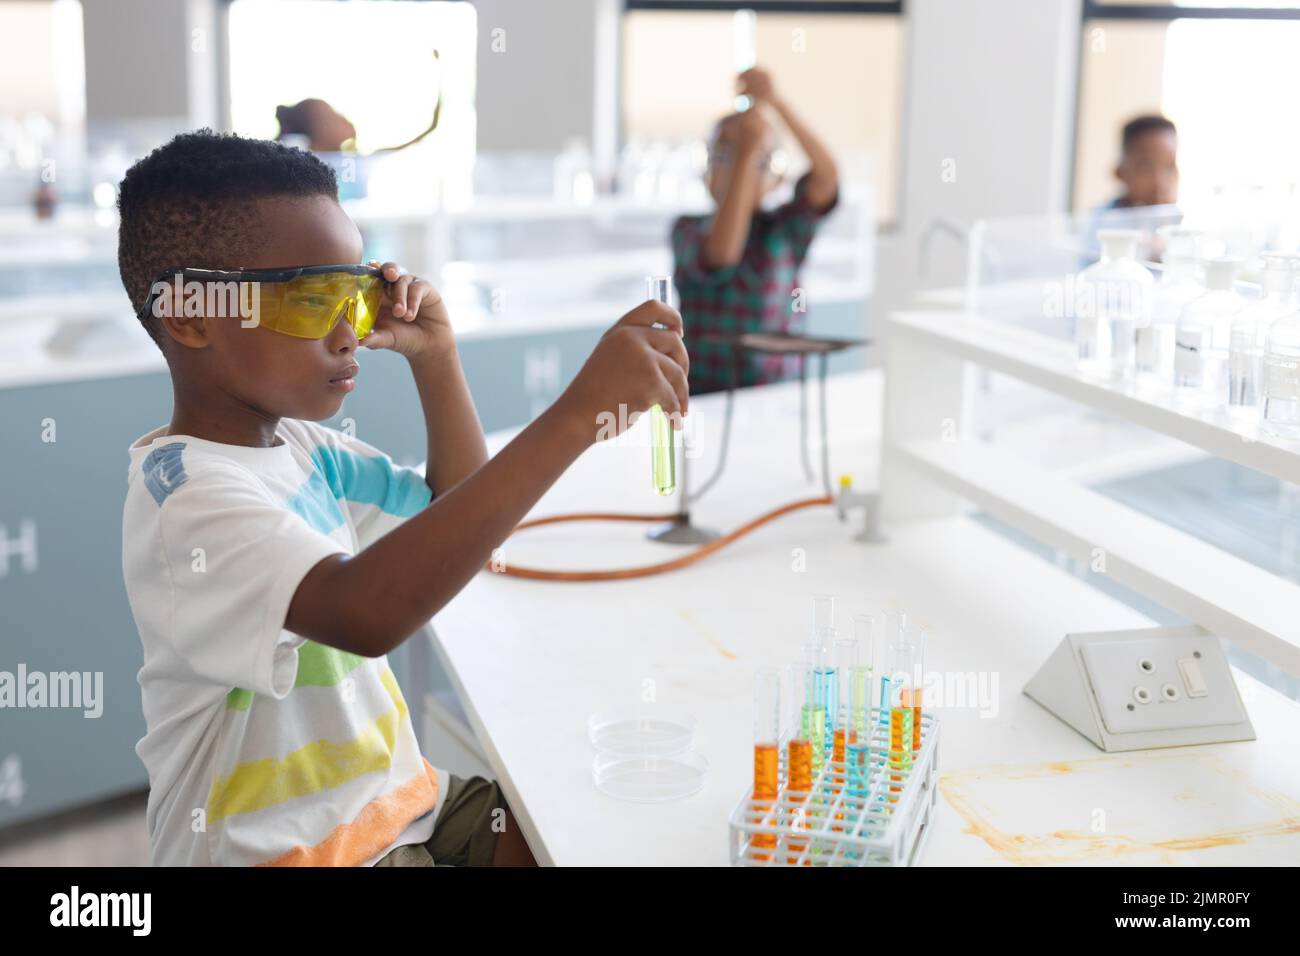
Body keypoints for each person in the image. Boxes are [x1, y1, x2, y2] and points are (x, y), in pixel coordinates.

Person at [116, 130, 688, 866]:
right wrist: (575, 416)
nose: (347, 334)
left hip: (396, 801)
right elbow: (366, 612)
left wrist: (438, 359)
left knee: (557, 828)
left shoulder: (300, 448)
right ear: (191, 315)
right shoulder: (187, 499)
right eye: (311, 300)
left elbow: (455, 507)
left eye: (354, 296)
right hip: (284, 851)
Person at [671, 67, 839, 395]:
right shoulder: (687, 230)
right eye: (724, 156)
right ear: (705, 170)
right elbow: (722, 254)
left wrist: (777, 104)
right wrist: (750, 145)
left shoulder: (785, 228)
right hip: (705, 395)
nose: (740, 169)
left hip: (774, 393)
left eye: (758, 161)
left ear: (777, 177)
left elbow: (827, 176)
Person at [1107, 114, 1178, 210]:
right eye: (1146, 168)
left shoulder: (1177, 218)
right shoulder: (1101, 222)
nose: (1160, 182)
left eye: (1170, 167)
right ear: (1120, 172)